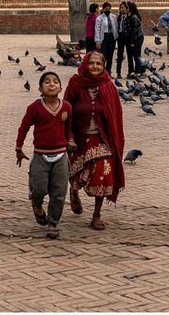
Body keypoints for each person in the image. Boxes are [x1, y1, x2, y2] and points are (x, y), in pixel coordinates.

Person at [64, 49, 124, 230]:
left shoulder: (108, 86)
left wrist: (114, 140)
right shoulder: (75, 84)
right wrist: (69, 137)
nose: (95, 67)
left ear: (104, 66)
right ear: (85, 64)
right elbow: (65, 112)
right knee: (76, 174)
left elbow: (116, 116)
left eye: (98, 64)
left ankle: (96, 214)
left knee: (102, 172)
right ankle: (74, 192)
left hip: (101, 138)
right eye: (91, 63)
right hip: (78, 139)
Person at [16, 71, 74, 240]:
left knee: (59, 192)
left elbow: (69, 129)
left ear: (61, 87)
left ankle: (53, 223)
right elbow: (24, 127)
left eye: (55, 81)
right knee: (39, 189)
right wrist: (19, 148)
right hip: (41, 155)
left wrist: (70, 141)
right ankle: (37, 205)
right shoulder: (35, 108)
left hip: (60, 156)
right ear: (40, 88)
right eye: (47, 82)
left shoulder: (67, 107)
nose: (51, 84)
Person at [119, 1, 143, 78]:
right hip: (131, 39)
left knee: (136, 55)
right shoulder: (128, 16)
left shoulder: (134, 17)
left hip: (137, 38)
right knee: (131, 56)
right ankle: (132, 71)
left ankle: (138, 72)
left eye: (126, 7)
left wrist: (132, 41)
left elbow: (135, 30)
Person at [95, 3, 118, 72]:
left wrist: (116, 37)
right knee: (103, 56)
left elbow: (116, 27)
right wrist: (97, 41)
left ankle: (108, 72)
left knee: (110, 56)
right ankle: (102, 71)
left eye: (109, 9)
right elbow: (97, 30)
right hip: (104, 37)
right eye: (106, 9)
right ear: (103, 9)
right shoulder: (99, 18)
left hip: (112, 37)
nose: (108, 10)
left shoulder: (113, 17)